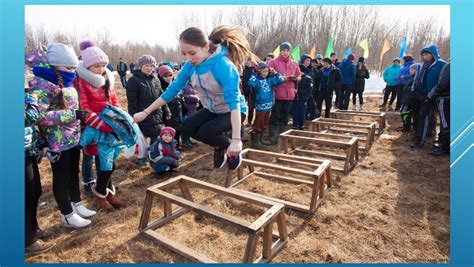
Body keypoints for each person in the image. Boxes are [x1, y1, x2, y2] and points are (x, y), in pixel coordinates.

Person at [133, 25, 258, 171]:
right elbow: (172, 90)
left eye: (192, 53)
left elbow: (234, 102)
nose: (188, 58)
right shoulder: (190, 66)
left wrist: (236, 140)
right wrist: (146, 112)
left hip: (233, 110)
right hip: (212, 109)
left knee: (207, 132)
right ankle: (219, 145)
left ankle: (229, 148)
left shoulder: (223, 66)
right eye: (184, 54)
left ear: (205, 47)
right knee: (187, 127)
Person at [27, 43, 95, 228]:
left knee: (74, 172)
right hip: (56, 142)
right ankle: (66, 214)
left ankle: (76, 204)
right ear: (54, 66)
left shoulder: (65, 81)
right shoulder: (41, 85)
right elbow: (40, 116)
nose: (72, 72)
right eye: (68, 68)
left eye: (74, 68)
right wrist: (73, 115)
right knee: (61, 176)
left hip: (72, 138)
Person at [76, 40, 126, 211]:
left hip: (110, 127)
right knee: (104, 163)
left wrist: (120, 119)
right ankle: (100, 196)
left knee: (110, 162)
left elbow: (114, 101)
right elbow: (84, 107)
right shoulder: (82, 81)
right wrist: (101, 124)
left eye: (104, 65)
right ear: (88, 66)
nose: (101, 69)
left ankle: (106, 193)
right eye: (97, 66)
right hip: (95, 129)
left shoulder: (107, 79)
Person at [24, 89, 55, 255]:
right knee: (25, 197)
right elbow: (28, 118)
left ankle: (32, 228)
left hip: (28, 151)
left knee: (35, 192)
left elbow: (32, 126)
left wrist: (41, 143)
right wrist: (32, 102)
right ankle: (26, 240)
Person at [126, 55, 171, 164]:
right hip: (142, 115)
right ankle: (142, 157)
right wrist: (133, 116)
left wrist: (166, 110)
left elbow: (162, 97)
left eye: (151, 66)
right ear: (140, 66)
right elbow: (132, 101)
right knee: (142, 138)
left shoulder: (155, 79)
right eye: (146, 65)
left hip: (157, 114)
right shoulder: (133, 80)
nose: (149, 68)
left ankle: (154, 157)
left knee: (156, 137)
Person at [410, 44, 446, 149]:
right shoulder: (422, 65)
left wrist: (431, 94)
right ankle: (417, 134)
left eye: (426, 54)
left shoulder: (441, 65)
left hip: (430, 95)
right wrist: (414, 89)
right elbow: (417, 78)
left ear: (433, 54)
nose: (424, 56)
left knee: (424, 116)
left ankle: (420, 141)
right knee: (415, 114)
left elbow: (440, 81)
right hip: (418, 93)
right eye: (423, 55)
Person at [267, 42, 302, 144]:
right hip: (277, 93)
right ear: (280, 51)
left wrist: (296, 78)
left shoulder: (294, 63)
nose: (285, 53)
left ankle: (280, 136)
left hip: (289, 94)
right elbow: (268, 74)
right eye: (283, 50)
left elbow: (299, 75)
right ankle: (272, 137)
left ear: (290, 51)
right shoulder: (273, 62)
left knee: (285, 116)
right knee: (275, 115)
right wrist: (280, 77)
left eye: (287, 50)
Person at [247, 62, 285, 147]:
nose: (265, 73)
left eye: (267, 71)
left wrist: (275, 72)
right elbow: (250, 83)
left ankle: (261, 140)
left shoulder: (269, 80)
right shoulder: (256, 80)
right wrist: (254, 72)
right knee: (258, 123)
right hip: (260, 106)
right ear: (259, 71)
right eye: (263, 71)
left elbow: (281, 79)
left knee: (264, 123)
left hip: (268, 105)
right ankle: (255, 142)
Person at [158, 65, 185, 148]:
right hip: (169, 115)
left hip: (179, 112)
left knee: (178, 131)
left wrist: (184, 107)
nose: (168, 77)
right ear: (161, 77)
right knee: (170, 132)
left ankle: (176, 146)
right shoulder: (161, 88)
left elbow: (180, 98)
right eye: (165, 76)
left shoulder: (175, 85)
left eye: (170, 75)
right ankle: (171, 148)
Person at [427, 62, 450, 156]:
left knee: (445, 123)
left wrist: (435, 92)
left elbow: (442, 83)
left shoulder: (450, 66)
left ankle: (445, 148)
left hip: (446, 98)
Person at [292, 64, 314, 130]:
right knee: (294, 112)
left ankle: (301, 125)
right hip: (294, 98)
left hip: (303, 99)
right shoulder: (294, 78)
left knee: (302, 112)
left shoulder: (308, 78)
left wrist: (298, 91)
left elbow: (309, 89)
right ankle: (294, 125)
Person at [399, 64, 418, 132]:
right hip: (407, 98)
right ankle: (406, 126)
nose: (411, 71)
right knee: (404, 112)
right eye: (410, 69)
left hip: (410, 99)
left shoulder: (416, 78)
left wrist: (407, 88)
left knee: (404, 112)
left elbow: (415, 87)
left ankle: (407, 127)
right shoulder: (412, 77)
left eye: (413, 69)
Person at [181, 83, 199, 148]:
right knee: (186, 125)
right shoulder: (184, 85)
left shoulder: (192, 84)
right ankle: (184, 141)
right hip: (187, 108)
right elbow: (183, 97)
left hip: (193, 108)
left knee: (190, 125)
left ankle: (188, 140)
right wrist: (196, 98)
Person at [242, 60, 256, 126]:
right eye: (246, 61)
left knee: (251, 107)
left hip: (252, 91)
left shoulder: (254, 70)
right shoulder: (244, 69)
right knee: (244, 106)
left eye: (248, 61)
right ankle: (244, 120)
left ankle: (250, 121)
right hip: (245, 90)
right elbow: (243, 80)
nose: (246, 62)